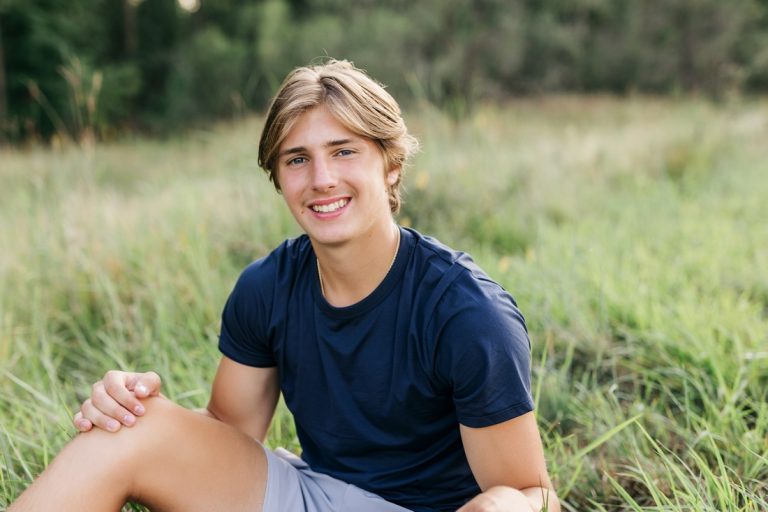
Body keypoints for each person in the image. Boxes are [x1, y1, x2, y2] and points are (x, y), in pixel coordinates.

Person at [10, 59, 560, 512]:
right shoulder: (267, 286)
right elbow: (231, 433)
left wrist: (503, 507)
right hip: (316, 498)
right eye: (298, 159)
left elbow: (533, 492)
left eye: (344, 151)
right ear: (279, 179)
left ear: (390, 165)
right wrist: (131, 405)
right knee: (131, 428)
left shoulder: (467, 312)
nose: (322, 179)